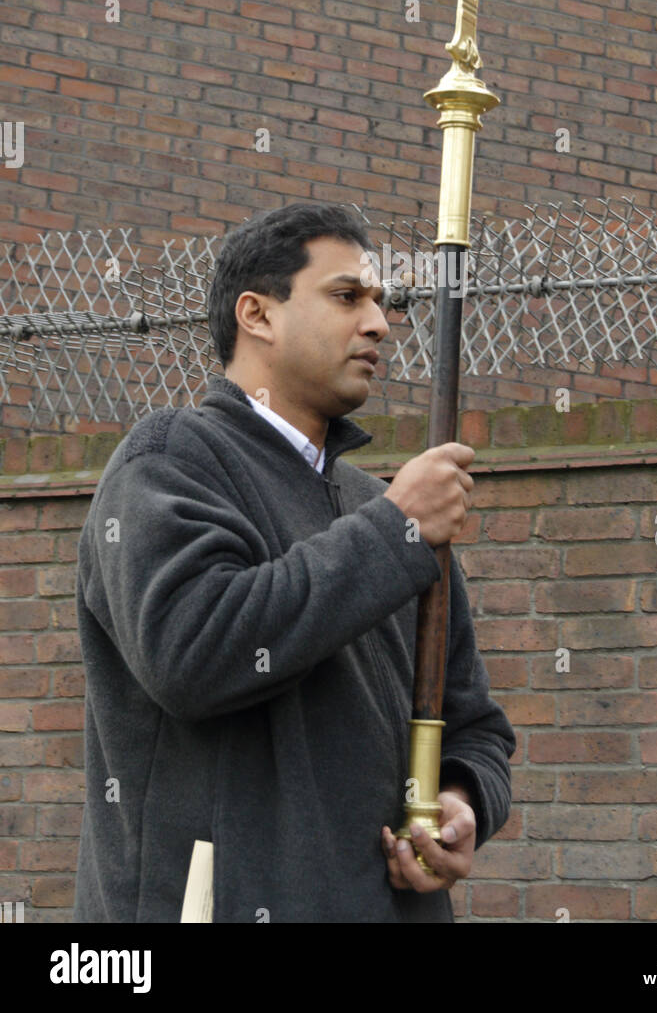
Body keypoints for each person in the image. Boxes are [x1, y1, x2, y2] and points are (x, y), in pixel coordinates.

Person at [72, 201, 516, 923]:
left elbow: (473, 721)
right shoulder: (171, 459)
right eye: (347, 296)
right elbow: (193, 653)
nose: (378, 322)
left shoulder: (380, 502)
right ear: (257, 315)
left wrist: (462, 800)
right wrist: (394, 532)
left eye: (382, 301)